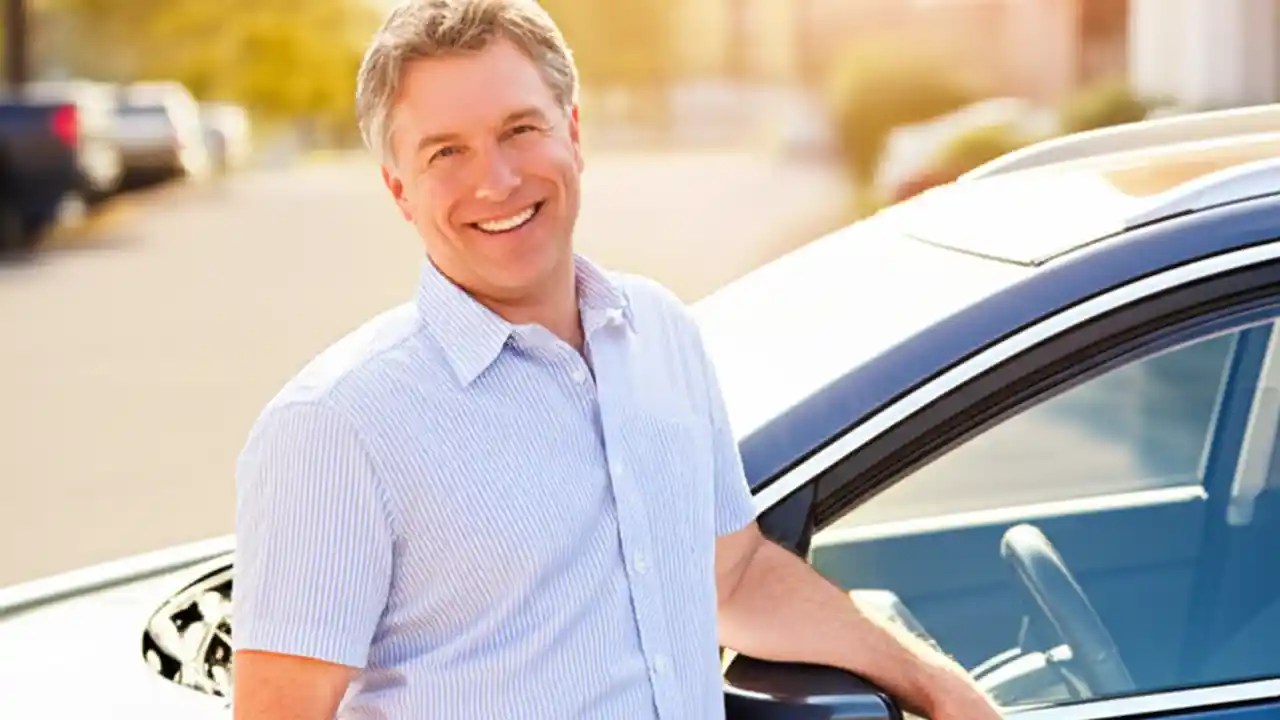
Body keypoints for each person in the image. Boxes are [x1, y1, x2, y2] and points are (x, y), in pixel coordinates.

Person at [230, 1, 1003, 718]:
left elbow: (732, 576)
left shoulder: (660, 332)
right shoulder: (336, 427)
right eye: (446, 152)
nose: (495, 181)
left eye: (520, 130)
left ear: (573, 133)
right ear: (400, 190)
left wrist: (936, 687)